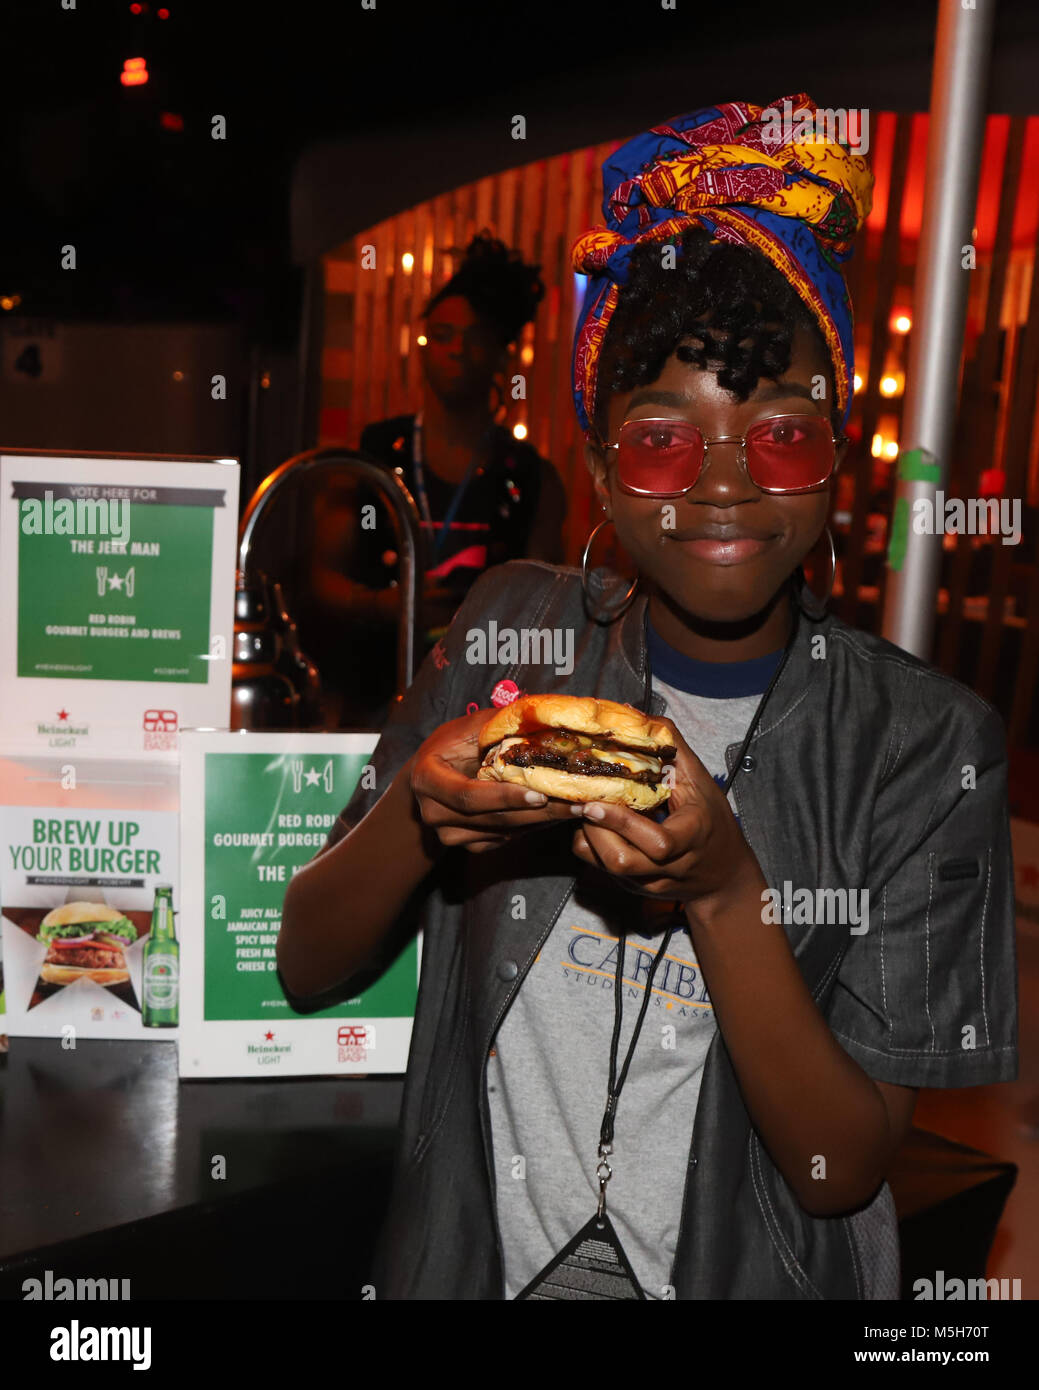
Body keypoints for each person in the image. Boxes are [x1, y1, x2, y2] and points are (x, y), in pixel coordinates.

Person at [278, 95, 1019, 1299]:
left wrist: (724, 891)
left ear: (836, 454)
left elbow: (839, 1168)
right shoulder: (506, 637)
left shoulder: (928, 748)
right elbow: (306, 959)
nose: (723, 484)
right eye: (663, 438)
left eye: (779, 433)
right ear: (603, 470)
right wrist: (417, 815)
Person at [301, 231, 567, 726]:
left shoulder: (531, 477)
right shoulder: (374, 452)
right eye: (441, 335)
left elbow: (547, 609)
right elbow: (320, 577)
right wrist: (386, 606)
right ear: (421, 347)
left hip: (485, 709)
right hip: (370, 702)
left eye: (473, 338)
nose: (456, 351)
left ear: (500, 354)